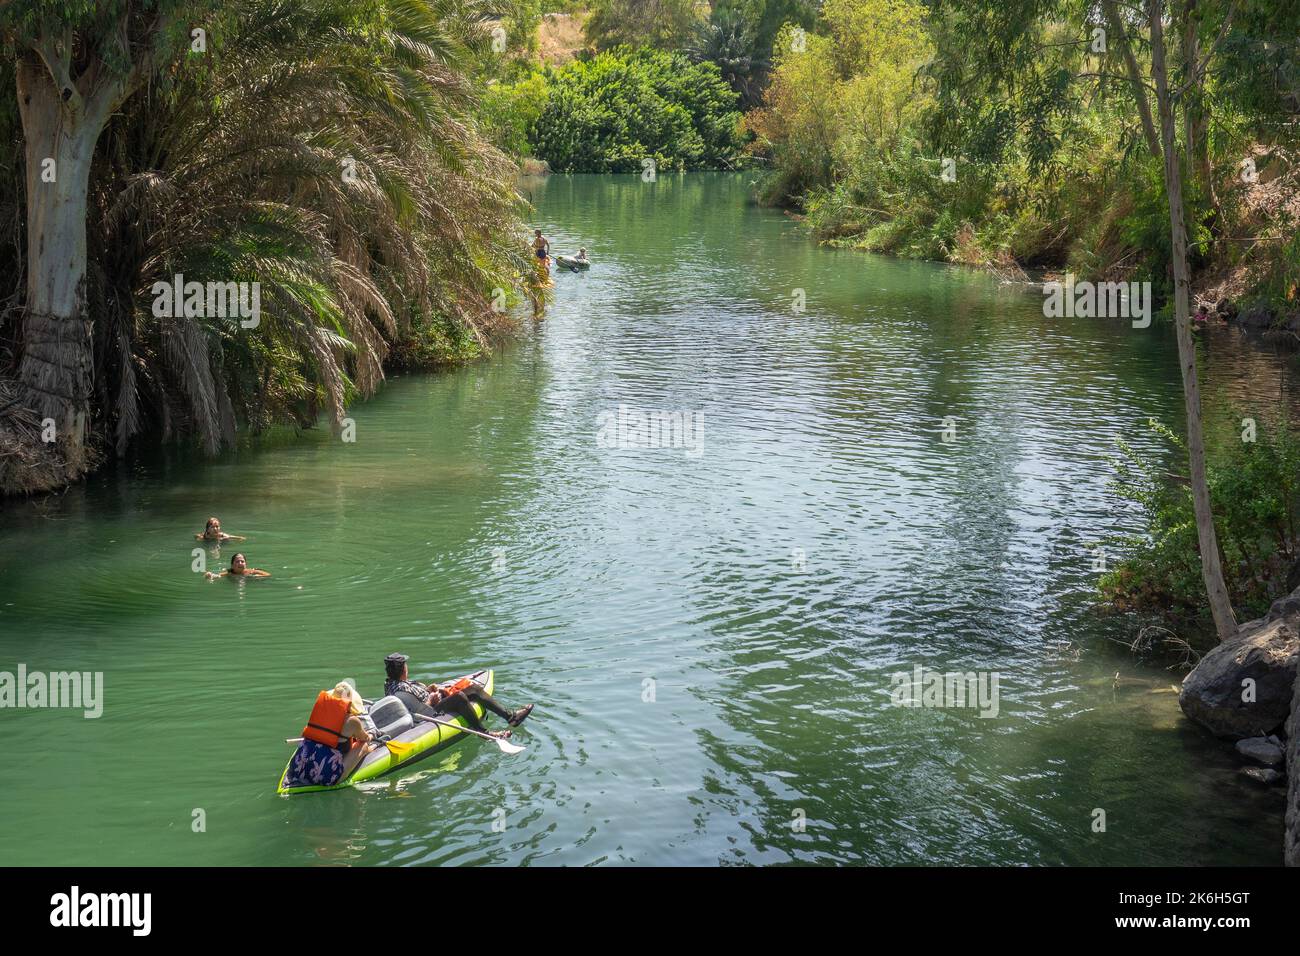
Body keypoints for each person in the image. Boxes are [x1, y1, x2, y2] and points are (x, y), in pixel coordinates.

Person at [382, 653, 532, 740]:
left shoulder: (390, 684)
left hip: (428, 703)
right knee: (460, 696)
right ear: (403, 669)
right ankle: (484, 732)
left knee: (473, 689)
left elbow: (411, 701)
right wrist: (431, 698)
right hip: (431, 710)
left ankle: (511, 717)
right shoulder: (402, 688)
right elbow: (422, 707)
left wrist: (428, 689)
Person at [283, 681, 376, 788]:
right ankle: (367, 752)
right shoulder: (352, 721)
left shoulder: (320, 713)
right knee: (363, 746)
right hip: (325, 775)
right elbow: (364, 738)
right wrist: (370, 736)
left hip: (298, 767)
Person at [205, 552, 271, 580]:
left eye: (242, 561)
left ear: (245, 564)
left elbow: (268, 574)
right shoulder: (230, 573)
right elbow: (218, 575)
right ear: (232, 565)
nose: (240, 563)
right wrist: (210, 575)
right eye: (237, 561)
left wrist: (258, 576)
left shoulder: (251, 572)